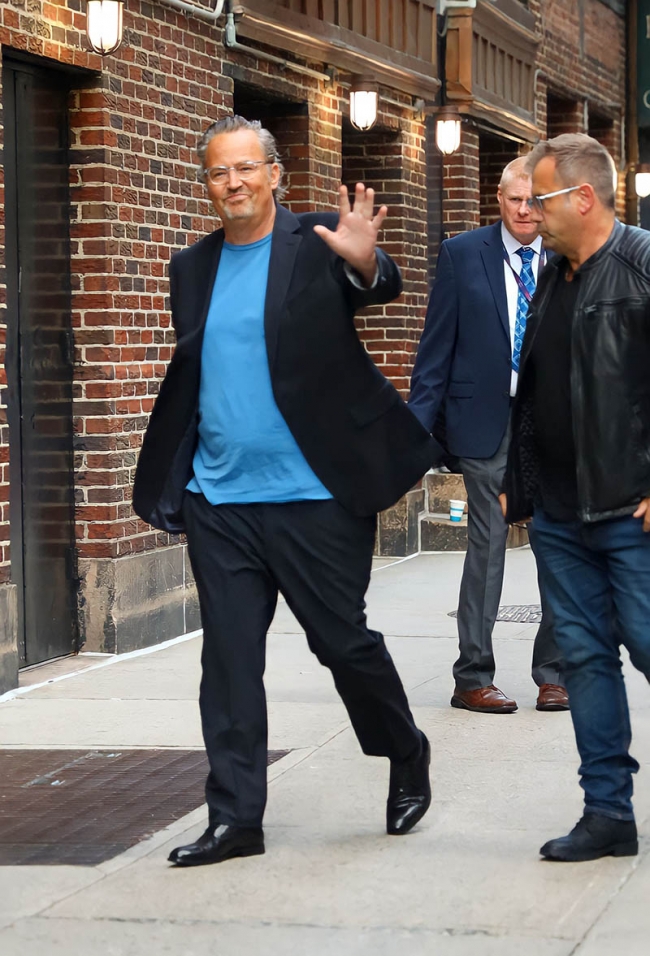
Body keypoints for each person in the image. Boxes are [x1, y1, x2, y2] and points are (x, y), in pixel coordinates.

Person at [132, 116, 436, 867]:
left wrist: (367, 265)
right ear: (206, 183)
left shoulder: (321, 241)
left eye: (244, 168)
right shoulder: (191, 267)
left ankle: (404, 747)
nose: (231, 182)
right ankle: (236, 818)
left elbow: (378, 280)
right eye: (216, 172)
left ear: (274, 174)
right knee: (229, 662)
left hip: (314, 496)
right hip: (221, 500)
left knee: (342, 643)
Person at [501, 132, 650, 862]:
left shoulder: (642, 264)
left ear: (583, 198)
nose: (529, 210)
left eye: (542, 197)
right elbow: (536, 390)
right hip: (560, 516)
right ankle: (607, 814)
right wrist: (518, 484)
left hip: (631, 512)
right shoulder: (555, 278)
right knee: (585, 663)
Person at [409, 158, 566, 715]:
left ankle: (554, 673)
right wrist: (415, 431)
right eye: (515, 199)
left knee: (557, 548)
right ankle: (472, 676)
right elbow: (434, 352)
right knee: (488, 542)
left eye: (535, 200)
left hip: (554, 425)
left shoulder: (569, 258)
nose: (525, 210)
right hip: (484, 422)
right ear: (498, 200)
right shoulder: (461, 254)